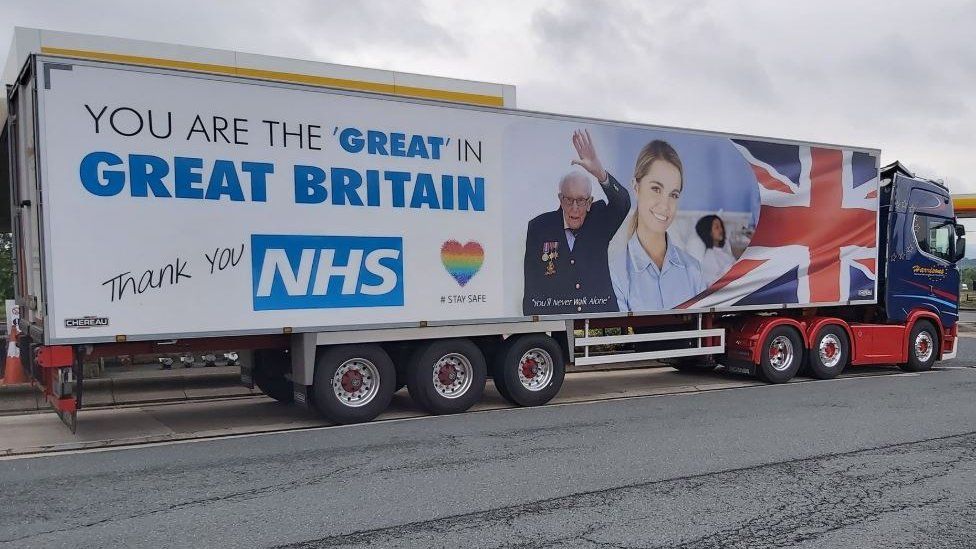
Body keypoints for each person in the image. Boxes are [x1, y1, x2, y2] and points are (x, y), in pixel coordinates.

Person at [522, 129, 631, 315]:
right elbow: (532, 282)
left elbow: (623, 203)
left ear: (589, 202)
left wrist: (600, 174)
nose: (574, 208)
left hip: (600, 319)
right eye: (568, 199)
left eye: (581, 200)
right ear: (560, 198)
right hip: (561, 324)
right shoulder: (539, 227)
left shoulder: (600, 220)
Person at [611, 140, 705, 311]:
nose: (665, 205)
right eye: (656, 189)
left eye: (673, 195)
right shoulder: (616, 272)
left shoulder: (693, 270)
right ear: (636, 187)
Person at [693, 214, 736, 286]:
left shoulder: (725, 250)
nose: (721, 230)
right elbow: (711, 283)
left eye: (721, 226)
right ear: (708, 231)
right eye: (717, 227)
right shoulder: (710, 256)